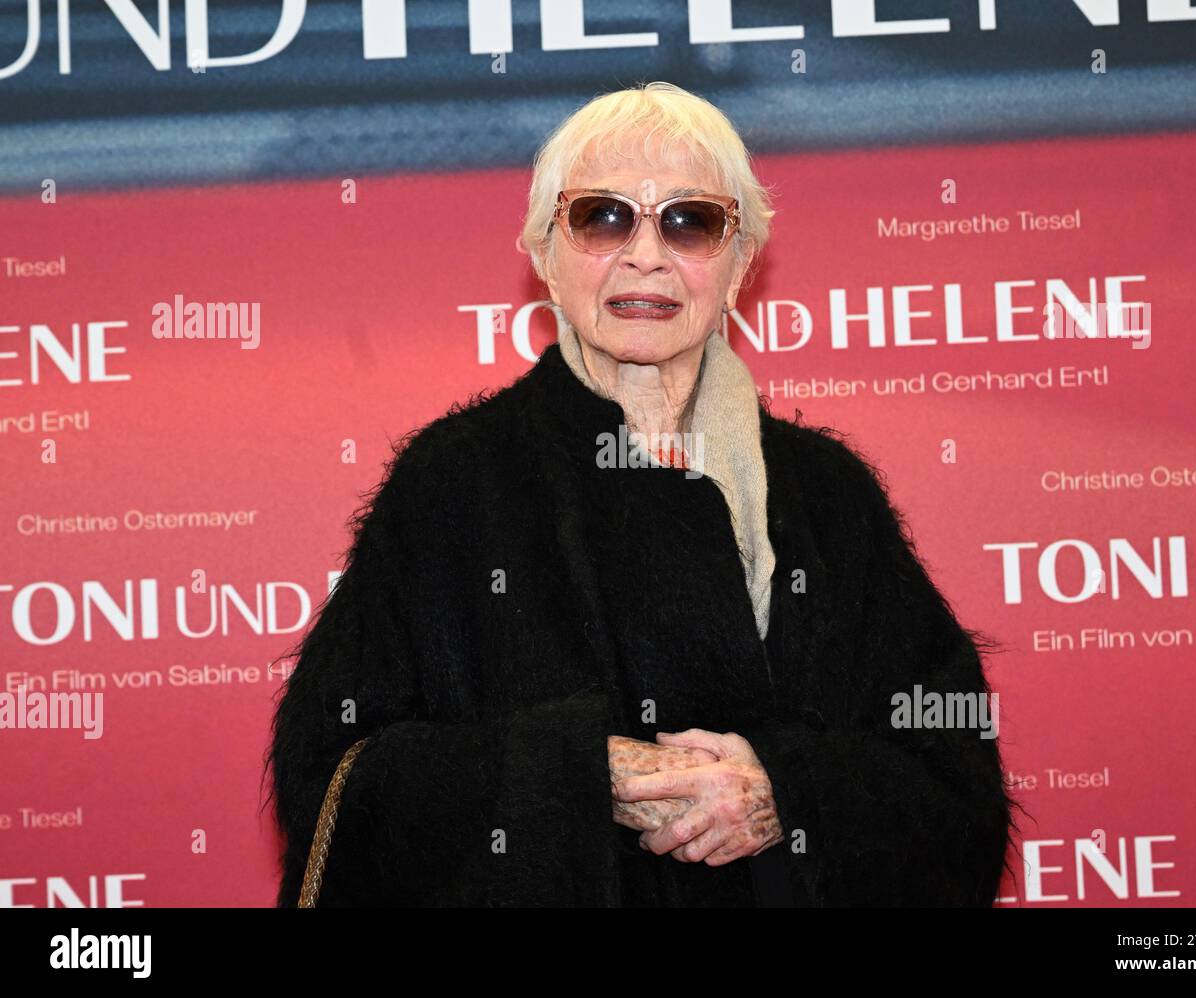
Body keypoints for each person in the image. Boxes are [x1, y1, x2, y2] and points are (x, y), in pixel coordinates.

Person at [266, 81, 1017, 907]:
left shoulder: (827, 497)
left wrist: (785, 792)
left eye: (691, 221)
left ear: (739, 265)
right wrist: (581, 770)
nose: (646, 255)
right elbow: (333, 773)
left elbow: (953, 780)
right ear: (544, 252)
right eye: (603, 217)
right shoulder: (452, 485)